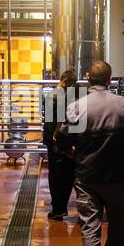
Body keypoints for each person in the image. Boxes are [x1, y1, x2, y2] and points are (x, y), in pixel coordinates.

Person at [57, 60, 124, 246]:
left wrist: (73, 153)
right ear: (110, 80)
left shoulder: (77, 107)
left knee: (90, 227)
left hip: (87, 177)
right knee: (116, 222)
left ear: (88, 79)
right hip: (118, 176)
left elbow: (62, 138)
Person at [42, 70, 77, 220]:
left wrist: (50, 141)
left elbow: (50, 124)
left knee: (56, 174)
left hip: (56, 142)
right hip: (65, 142)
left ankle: (58, 207)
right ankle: (60, 207)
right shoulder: (68, 97)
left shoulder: (53, 95)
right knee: (65, 174)